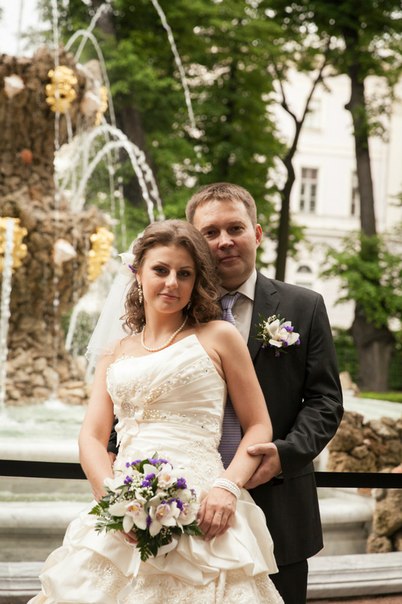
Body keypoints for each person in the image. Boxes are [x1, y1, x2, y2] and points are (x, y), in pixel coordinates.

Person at [29, 220, 283, 603]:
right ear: (138, 273)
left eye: (185, 274)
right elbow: (92, 436)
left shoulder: (219, 336)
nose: (172, 283)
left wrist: (227, 487)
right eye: (160, 270)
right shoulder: (115, 352)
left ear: (196, 281)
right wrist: (112, 498)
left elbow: (259, 425)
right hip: (126, 504)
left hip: (203, 507)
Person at [184, 182, 344, 603]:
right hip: (187, 501)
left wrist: (285, 454)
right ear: (195, 243)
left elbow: (325, 401)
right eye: (210, 232)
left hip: (278, 504)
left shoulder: (304, 306)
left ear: (256, 234)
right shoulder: (176, 309)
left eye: (234, 228)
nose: (224, 241)